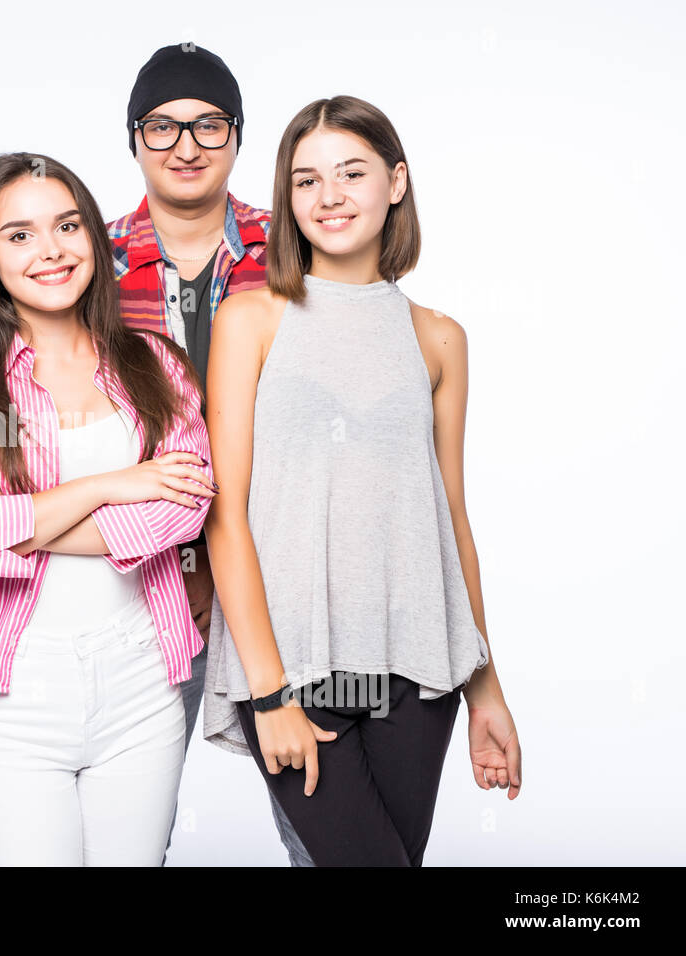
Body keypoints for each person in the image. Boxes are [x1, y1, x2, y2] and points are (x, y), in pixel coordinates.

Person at [203, 95, 522, 866]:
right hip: (295, 661)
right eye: (306, 181)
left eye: (352, 172)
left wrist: (487, 689)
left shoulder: (438, 337)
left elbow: (450, 517)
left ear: (397, 182)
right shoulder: (251, 319)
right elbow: (226, 516)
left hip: (418, 667)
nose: (330, 196)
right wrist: (270, 692)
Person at [0, 151, 216, 865]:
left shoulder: (157, 364)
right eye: (18, 235)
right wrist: (110, 483)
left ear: (93, 240)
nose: (50, 250)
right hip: (11, 695)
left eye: (67, 226)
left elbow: (182, 510)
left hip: (141, 681)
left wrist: (17, 518)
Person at [109, 40, 309, 864]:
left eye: (207, 124)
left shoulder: (296, 247)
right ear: (133, 139)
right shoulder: (88, 257)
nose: (185, 146)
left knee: (317, 814)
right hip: (146, 579)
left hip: (278, 568)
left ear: (237, 135)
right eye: (161, 127)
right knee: (130, 826)